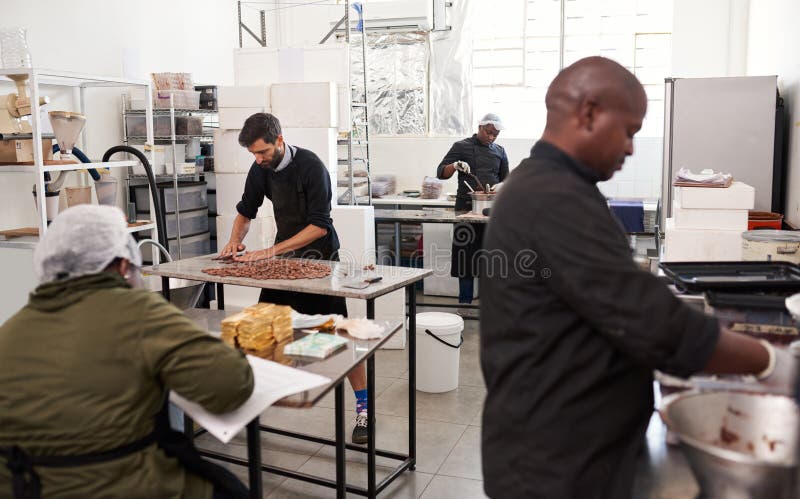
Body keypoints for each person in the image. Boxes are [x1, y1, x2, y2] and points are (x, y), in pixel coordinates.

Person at [479, 56, 799, 499]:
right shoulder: (550, 198)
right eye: (630, 131)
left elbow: (611, 305)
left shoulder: (556, 188)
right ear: (588, 112)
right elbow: (649, 319)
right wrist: (769, 363)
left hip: (568, 447)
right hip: (551, 466)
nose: (631, 148)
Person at [0, 204, 254, 499]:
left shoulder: (11, 330)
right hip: (124, 483)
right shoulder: (139, 311)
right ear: (123, 265)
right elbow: (232, 385)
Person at [218, 112, 371, 444]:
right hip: (285, 261)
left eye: (262, 152)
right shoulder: (261, 168)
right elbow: (247, 209)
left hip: (320, 261)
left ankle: (364, 409)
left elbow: (319, 224)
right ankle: (252, 399)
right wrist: (234, 239)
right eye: (254, 154)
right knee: (257, 328)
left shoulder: (312, 167)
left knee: (336, 336)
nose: (258, 160)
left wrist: (269, 252)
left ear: (279, 141)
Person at [436, 113, 509, 305]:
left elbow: (506, 179)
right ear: (480, 127)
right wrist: (455, 165)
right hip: (465, 210)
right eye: (488, 132)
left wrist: (502, 186)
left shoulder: (500, 151)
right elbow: (441, 172)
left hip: (490, 212)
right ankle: (464, 304)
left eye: (495, 134)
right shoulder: (462, 146)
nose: (491, 137)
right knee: (465, 259)